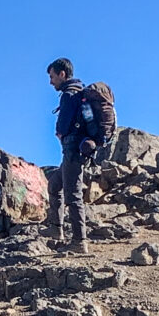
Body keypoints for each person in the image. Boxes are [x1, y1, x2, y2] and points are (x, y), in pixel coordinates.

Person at [48, 58, 116, 249]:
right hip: (78, 150)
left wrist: (61, 134)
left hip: (73, 151)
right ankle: (56, 228)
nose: (51, 81)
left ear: (62, 74)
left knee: (73, 194)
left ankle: (79, 241)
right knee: (54, 185)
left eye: (52, 76)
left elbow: (63, 124)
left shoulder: (70, 95)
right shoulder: (80, 93)